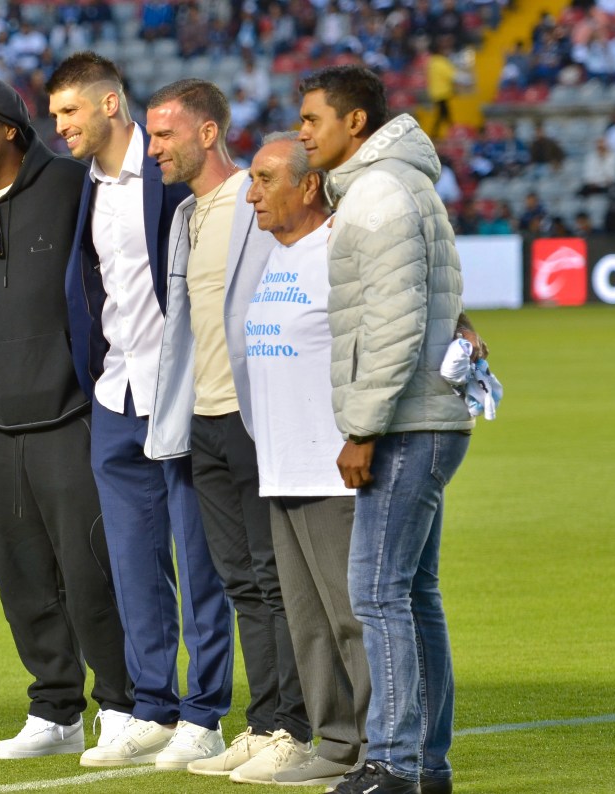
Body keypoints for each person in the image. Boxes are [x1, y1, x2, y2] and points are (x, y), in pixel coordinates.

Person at [47, 52, 234, 770]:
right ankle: (151, 708)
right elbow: (94, 291)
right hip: (117, 396)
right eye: (55, 112)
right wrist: (96, 375)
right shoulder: (85, 186)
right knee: (133, 564)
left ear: (110, 105)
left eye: (70, 111)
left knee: (200, 561)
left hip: (184, 395)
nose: (59, 125)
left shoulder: (169, 177)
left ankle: (205, 713)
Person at [297, 64, 476, 794]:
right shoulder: (400, 186)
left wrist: (362, 427)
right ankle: (427, 766)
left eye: (313, 119)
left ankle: (395, 764)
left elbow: (395, 326)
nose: (303, 131)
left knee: (376, 592)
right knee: (412, 594)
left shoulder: (378, 195)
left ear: (355, 124)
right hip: (428, 418)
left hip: (404, 422)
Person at [0, 75, 133, 760]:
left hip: (72, 413)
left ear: (10, 130)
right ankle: (54, 709)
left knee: (90, 570)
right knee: (18, 569)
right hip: (3, 421)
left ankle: (122, 701)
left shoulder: (71, 186)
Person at [142, 79, 314, 782]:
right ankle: (266, 720)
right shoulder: (186, 214)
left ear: (207, 133)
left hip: (254, 418)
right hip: (203, 421)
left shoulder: (256, 198)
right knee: (239, 580)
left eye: (163, 135)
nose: (153, 148)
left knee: (276, 580)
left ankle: (301, 730)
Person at [237, 132, 373, 787]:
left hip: (333, 467)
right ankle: (338, 743)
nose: (252, 192)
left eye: (265, 179)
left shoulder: (338, 250)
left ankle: (381, 746)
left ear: (309, 184)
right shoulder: (276, 253)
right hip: (281, 466)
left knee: (351, 619)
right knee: (308, 622)